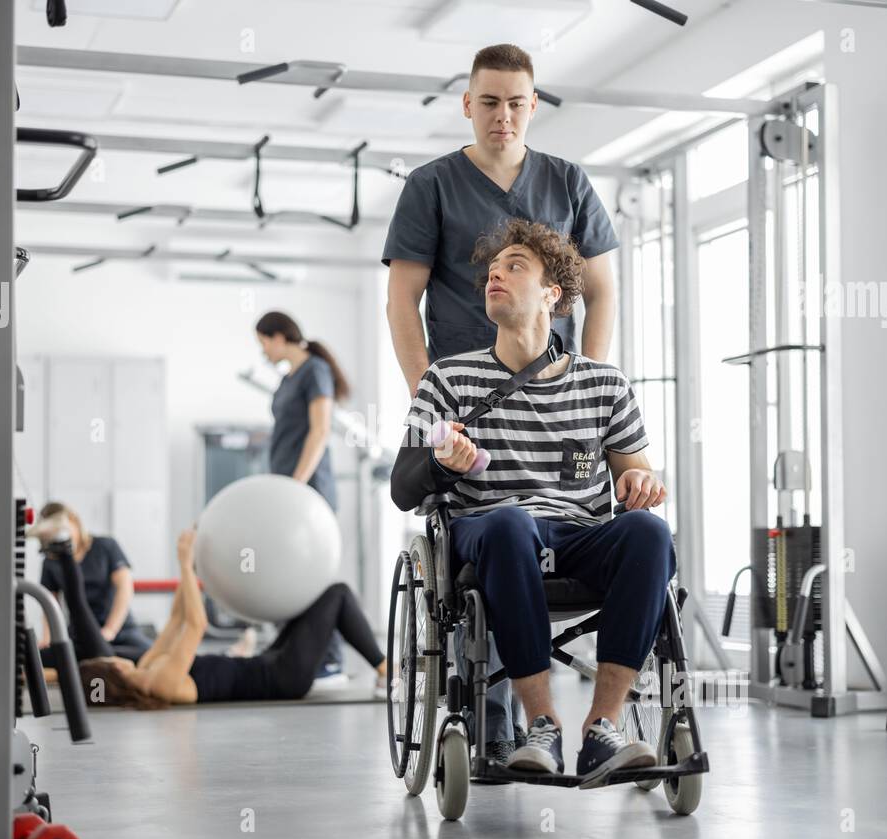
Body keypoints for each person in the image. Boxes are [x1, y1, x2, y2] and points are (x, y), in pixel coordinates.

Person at [381, 42, 620, 762]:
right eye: (489, 101)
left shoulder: (568, 182)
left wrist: (588, 383)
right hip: (467, 401)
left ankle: (567, 725)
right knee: (487, 535)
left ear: (533, 106)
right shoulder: (432, 185)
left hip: (553, 398)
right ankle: (494, 727)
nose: (503, 115)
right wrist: (433, 405)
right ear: (467, 104)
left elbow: (603, 290)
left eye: (516, 102)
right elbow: (402, 302)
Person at [389, 219, 673, 787]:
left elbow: (637, 475)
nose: (496, 274)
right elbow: (403, 488)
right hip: (489, 533)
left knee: (649, 533)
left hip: (578, 536)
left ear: (554, 294)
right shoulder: (449, 380)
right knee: (510, 524)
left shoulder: (605, 385)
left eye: (515, 266)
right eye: (493, 270)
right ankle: (541, 723)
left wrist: (643, 485)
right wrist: (442, 464)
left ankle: (603, 727)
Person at [62, 528, 388, 708]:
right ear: (113, 670)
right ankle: (388, 672)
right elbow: (196, 624)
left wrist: (189, 562)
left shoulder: (148, 666)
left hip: (269, 662)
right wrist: (187, 566)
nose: (115, 658)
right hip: (283, 679)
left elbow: (177, 619)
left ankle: (385, 670)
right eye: (110, 661)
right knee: (338, 594)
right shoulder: (158, 683)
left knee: (314, 599)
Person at [255, 310, 352, 683]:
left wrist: (297, 482)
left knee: (314, 573)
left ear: (279, 336)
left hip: (307, 490)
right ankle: (295, 651)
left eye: (263, 341)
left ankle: (330, 660)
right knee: (285, 572)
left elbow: (320, 430)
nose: (262, 350)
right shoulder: (287, 379)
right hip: (286, 488)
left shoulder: (315, 371)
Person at [30, 502, 153, 665]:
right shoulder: (51, 561)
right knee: (37, 658)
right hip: (80, 637)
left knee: (152, 659)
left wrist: (110, 630)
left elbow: (125, 589)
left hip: (121, 633)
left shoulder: (106, 546)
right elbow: (50, 604)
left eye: (61, 529)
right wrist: (48, 637)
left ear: (74, 521)